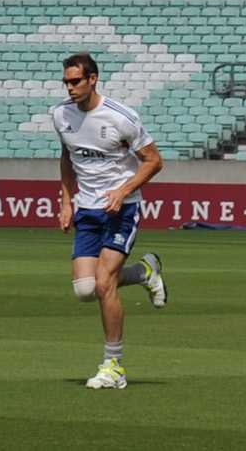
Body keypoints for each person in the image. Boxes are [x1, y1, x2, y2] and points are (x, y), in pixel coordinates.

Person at [53, 51, 166, 391]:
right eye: (66, 82)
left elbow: (154, 161)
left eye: (76, 81)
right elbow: (67, 156)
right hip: (86, 209)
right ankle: (145, 272)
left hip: (122, 209)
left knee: (104, 284)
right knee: (85, 290)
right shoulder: (60, 115)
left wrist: (124, 189)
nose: (70, 87)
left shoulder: (121, 117)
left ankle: (113, 365)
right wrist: (65, 201)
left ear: (92, 79)